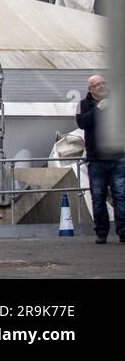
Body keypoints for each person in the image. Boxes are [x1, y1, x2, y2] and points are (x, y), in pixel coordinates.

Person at [76, 74, 125, 244]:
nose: (102, 86)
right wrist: (98, 110)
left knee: (120, 195)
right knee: (98, 196)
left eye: (104, 83)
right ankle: (101, 232)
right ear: (90, 89)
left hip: (117, 157)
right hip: (96, 159)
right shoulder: (83, 104)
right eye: (98, 85)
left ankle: (123, 230)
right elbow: (81, 123)